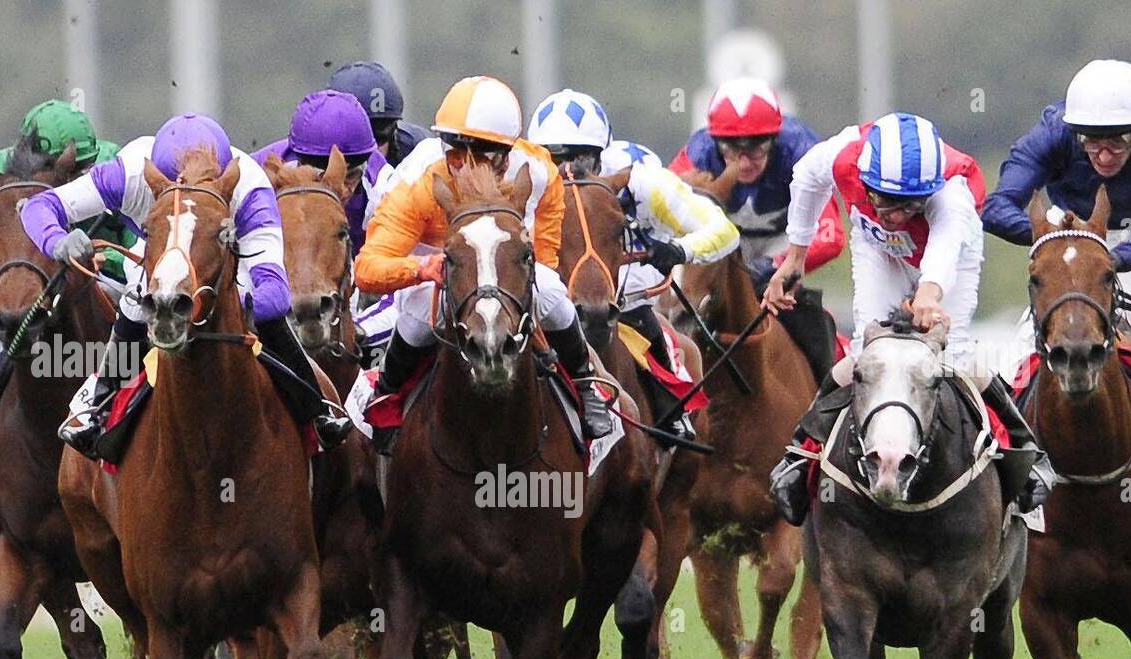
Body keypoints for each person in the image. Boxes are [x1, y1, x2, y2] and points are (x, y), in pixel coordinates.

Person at [764, 112, 1050, 524]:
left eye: (908, 205)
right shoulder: (840, 155)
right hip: (876, 248)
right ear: (865, 180)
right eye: (884, 199)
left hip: (948, 254)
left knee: (953, 356)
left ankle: (1022, 455)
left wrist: (930, 298)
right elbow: (805, 180)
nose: (895, 215)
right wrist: (795, 257)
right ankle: (803, 453)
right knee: (869, 353)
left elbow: (942, 256)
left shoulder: (953, 194)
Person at [20, 112, 351, 459]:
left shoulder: (249, 188)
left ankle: (316, 408)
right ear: (155, 179)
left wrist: (219, 299)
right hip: (157, 254)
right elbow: (41, 206)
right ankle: (100, 401)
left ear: (224, 180)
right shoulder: (129, 171)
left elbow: (274, 293)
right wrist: (56, 240)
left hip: (221, 269)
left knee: (269, 320)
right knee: (137, 300)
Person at [355, 75, 613, 452]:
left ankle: (586, 383)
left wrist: (526, 284)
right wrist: (420, 270)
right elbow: (367, 268)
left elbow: (544, 256)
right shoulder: (419, 181)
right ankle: (388, 397)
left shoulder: (540, 172)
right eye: (453, 149)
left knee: (553, 292)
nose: (462, 165)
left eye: (478, 152)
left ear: (506, 154)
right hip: (442, 267)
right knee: (413, 317)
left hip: (506, 267)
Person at [0, 99, 137, 442]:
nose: (81, 180)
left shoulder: (114, 169)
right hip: (31, 285)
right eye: (68, 173)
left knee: (149, 318)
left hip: (110, 283)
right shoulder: (2, 181)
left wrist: (110, 258)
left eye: (83, 168)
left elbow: (151, 249)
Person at [526, 88, 739, 436]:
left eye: (579, 160)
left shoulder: (643, 182)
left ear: (601, 157)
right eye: (554, 160)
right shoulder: (527, 180)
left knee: (636, 312)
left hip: (627, 281)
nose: (567, 173)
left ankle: (671, 410)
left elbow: (723, 231)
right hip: (555, 282)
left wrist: (678, 251)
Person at [983, 59, 1131, 381]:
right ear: (1074, 132)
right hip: (1069, 231)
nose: (1103, 155)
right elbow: (997, 207)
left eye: (1118, 141)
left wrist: (1099, 257)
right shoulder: (1053, 132)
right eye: (1090, 140)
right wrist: (1054, 239)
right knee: (1013, 368)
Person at [670, 77, 845, 378]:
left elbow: (831, 236)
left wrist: (776, 266)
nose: (743, 162)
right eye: (730, 148)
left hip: (783, 240)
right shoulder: (697, 154)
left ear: (774, 140)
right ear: (715, 142)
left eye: (757, 147)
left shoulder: (803, 151)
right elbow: (663, 210)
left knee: (810, 317)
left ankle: (828, 392)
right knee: (671, 305)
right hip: (720, 240)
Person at [253, 89, 393, 253]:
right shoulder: (257, 174)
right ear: (301, 163)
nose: (343, 189)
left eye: (351, 176)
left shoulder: (384, 188)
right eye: (327, 177)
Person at [327, 61, 430, 168]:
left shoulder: (421, 153)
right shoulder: (311, 161)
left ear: (393, 132)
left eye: (378, 137)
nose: (370, 152)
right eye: (354, 138)